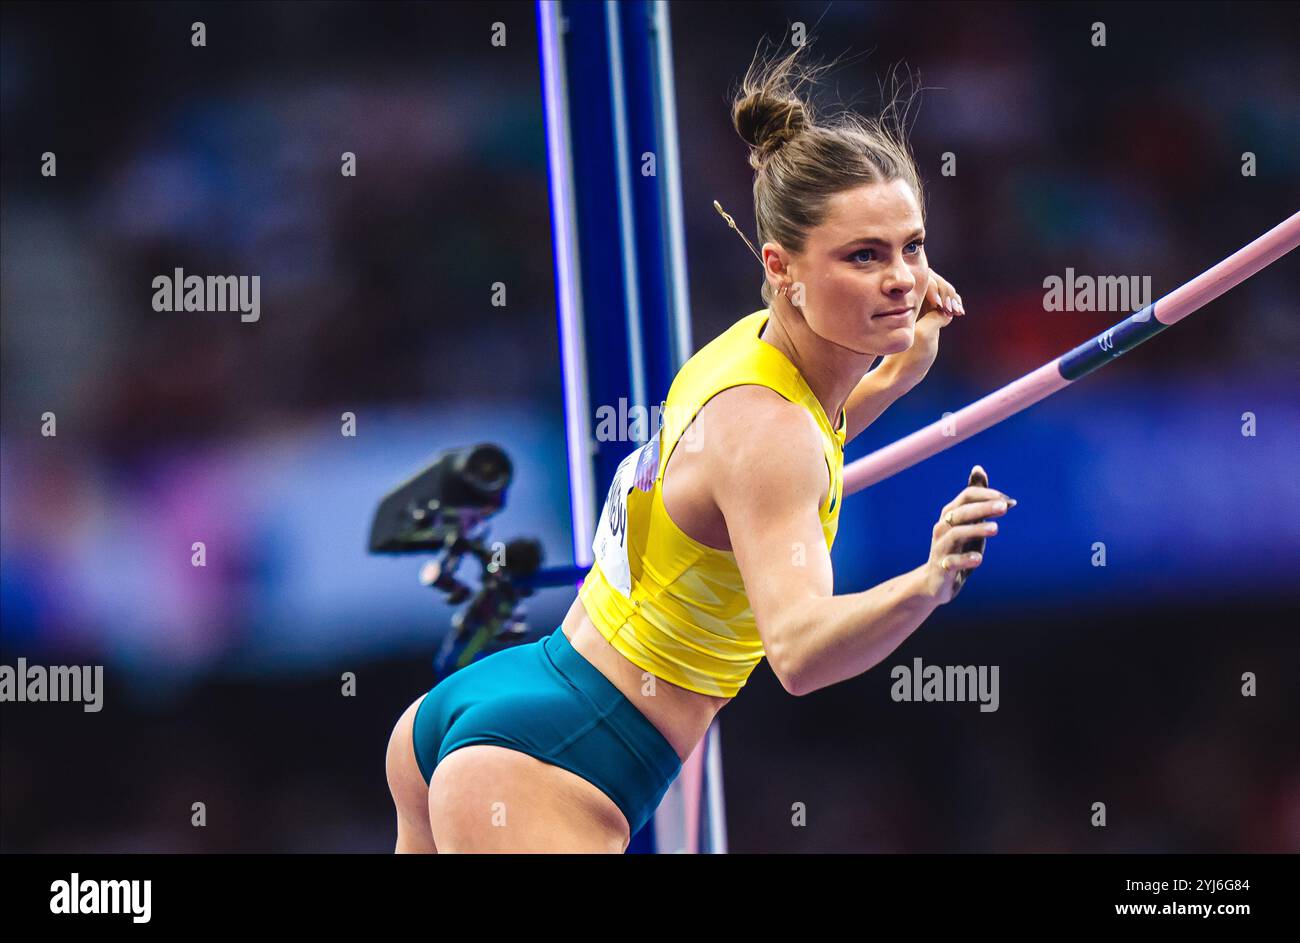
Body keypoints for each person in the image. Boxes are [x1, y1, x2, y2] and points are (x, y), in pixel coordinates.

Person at [384, 41, 1017, 853]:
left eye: (912, 246)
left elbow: (770, 462)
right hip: (556, 759)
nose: (900, 278)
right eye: (864, 255)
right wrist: (927, 583)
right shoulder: (775, 433)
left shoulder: (750, 353)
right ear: (782, 267)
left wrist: (897, 374)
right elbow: (799, 653)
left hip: (499, 706)